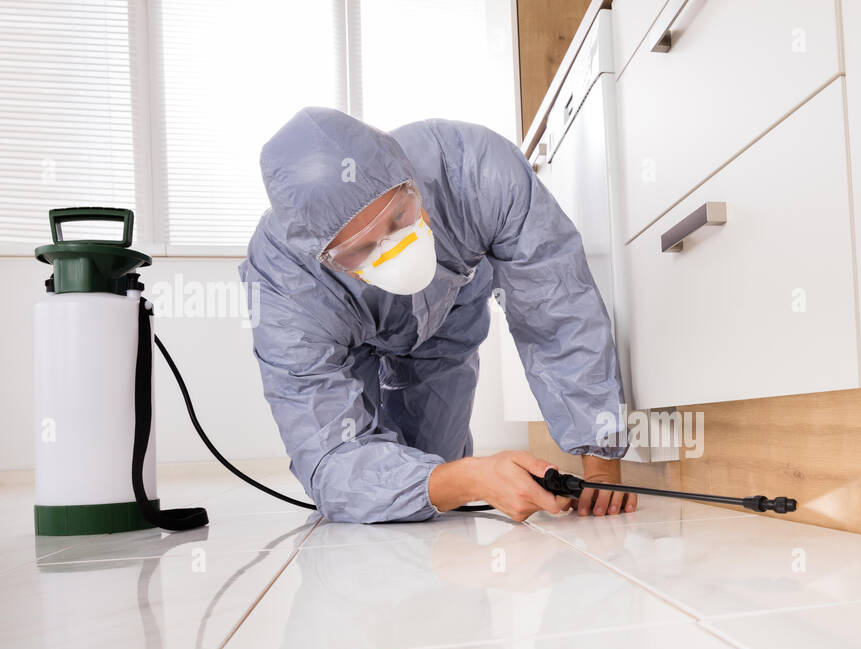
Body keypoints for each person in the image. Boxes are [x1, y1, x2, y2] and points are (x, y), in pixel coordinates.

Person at [239, 107, 635, 523]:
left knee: (435, 468)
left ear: (410, 180)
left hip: (445, 325)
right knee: (393, 493)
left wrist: (600, 455)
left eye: (398, 216)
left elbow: (556, 307)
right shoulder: (284, 285)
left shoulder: (473, 170)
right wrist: (472, 480)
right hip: (348, 341)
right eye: (360, 248)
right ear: (323, 258)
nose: (394, 249)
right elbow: (330, 455)